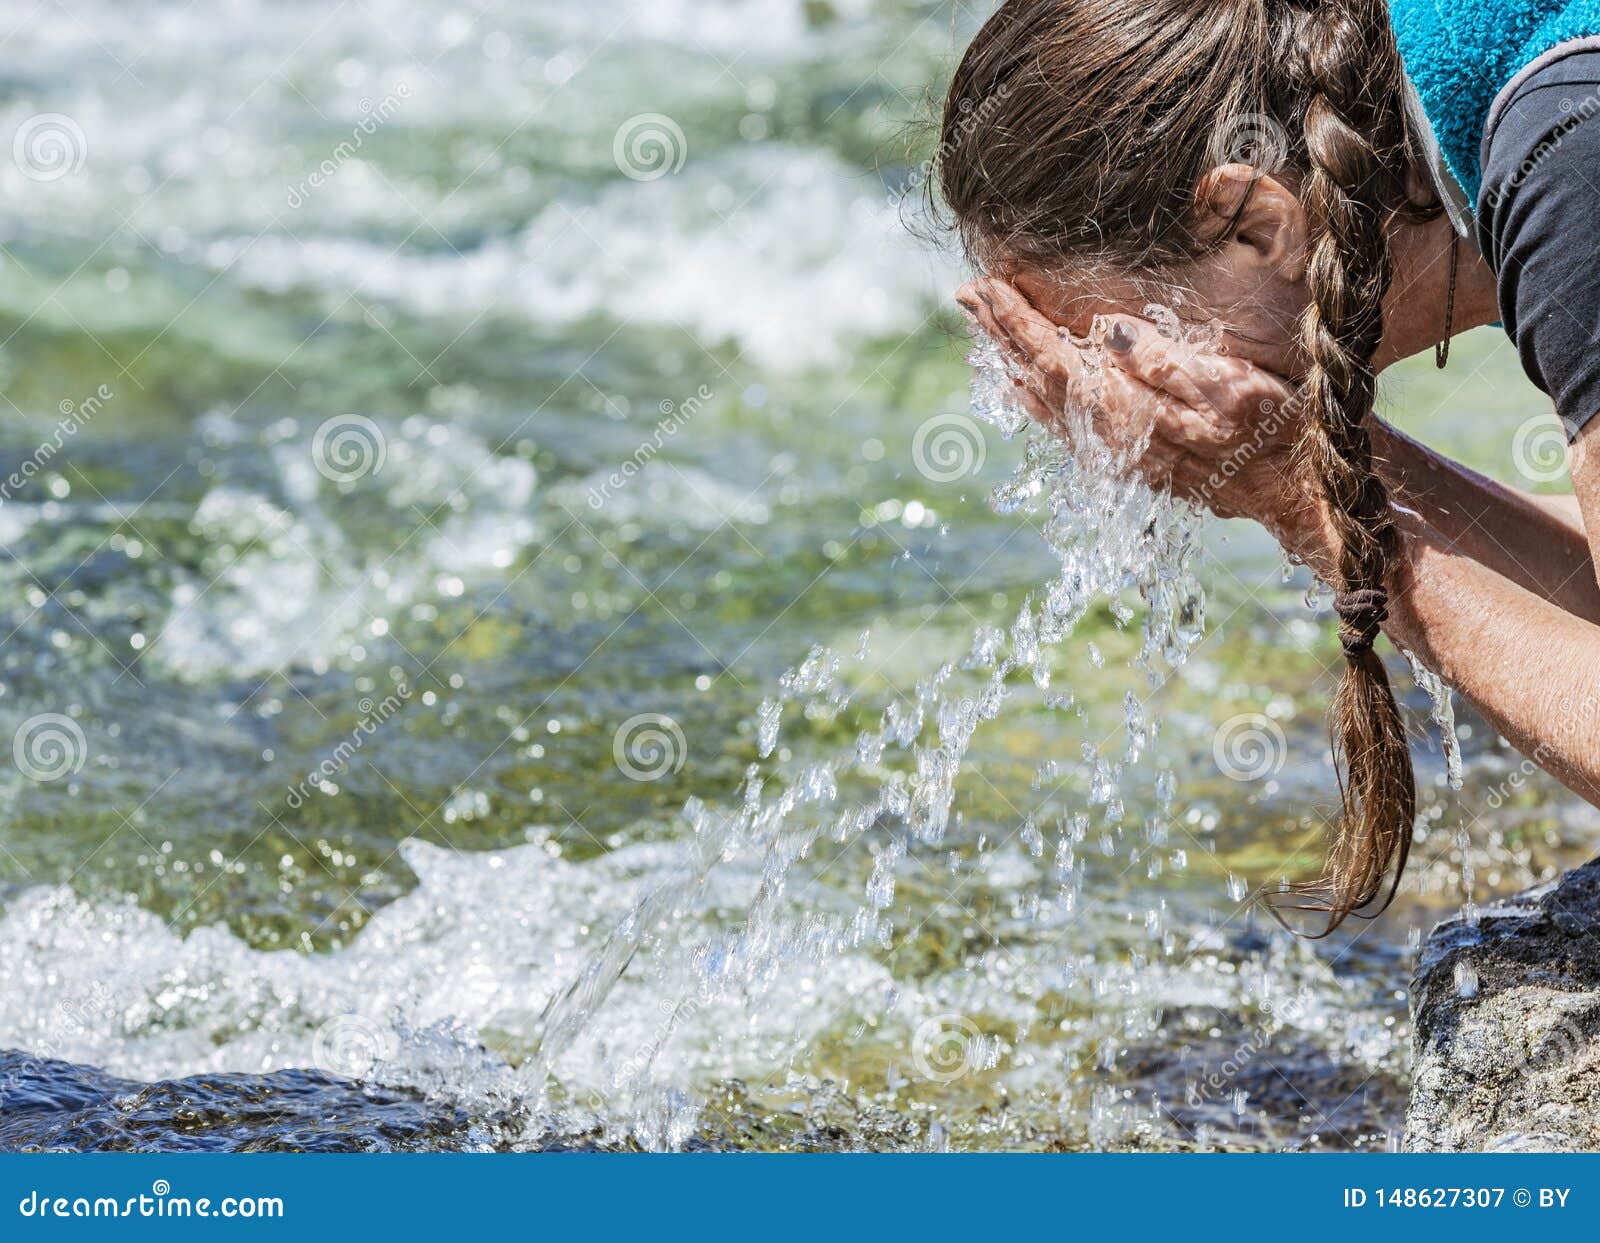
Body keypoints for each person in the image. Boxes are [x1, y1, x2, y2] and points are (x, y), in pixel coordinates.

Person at [941, 0, 1600, 929]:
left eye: (1118, 344)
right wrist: (1328, 458)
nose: (1111, 402)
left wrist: (1303, 501)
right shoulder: (1505, 100)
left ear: (1257, 225)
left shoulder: (1572, 165)